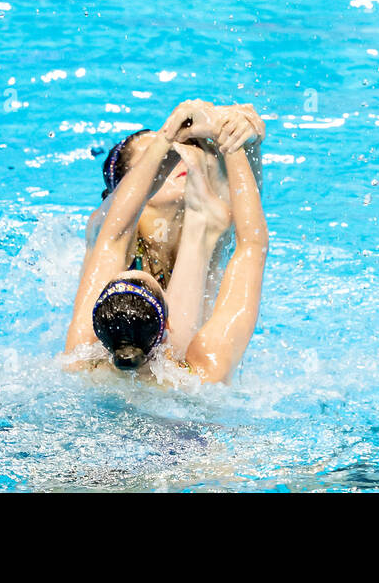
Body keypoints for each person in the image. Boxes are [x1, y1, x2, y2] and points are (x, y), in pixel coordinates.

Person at [64, 100, 268, 383]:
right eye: (169, 157)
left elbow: (114, 237)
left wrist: (241, 136)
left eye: (191, 147)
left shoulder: (81, 357)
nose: (183, 155)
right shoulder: (202, 371)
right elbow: (252, 247)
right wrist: (229, 144)